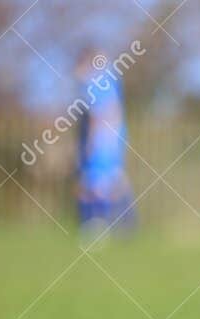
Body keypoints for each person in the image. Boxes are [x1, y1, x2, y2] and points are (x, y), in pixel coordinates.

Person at [75, 50, 134, 235]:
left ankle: (98, 224)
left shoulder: (97, 82)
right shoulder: (111, 79)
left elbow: (100, 115)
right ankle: (126, 223)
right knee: (115, 179)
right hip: (115, 138)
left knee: (97, 183)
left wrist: (92, 141)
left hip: (104, 140)